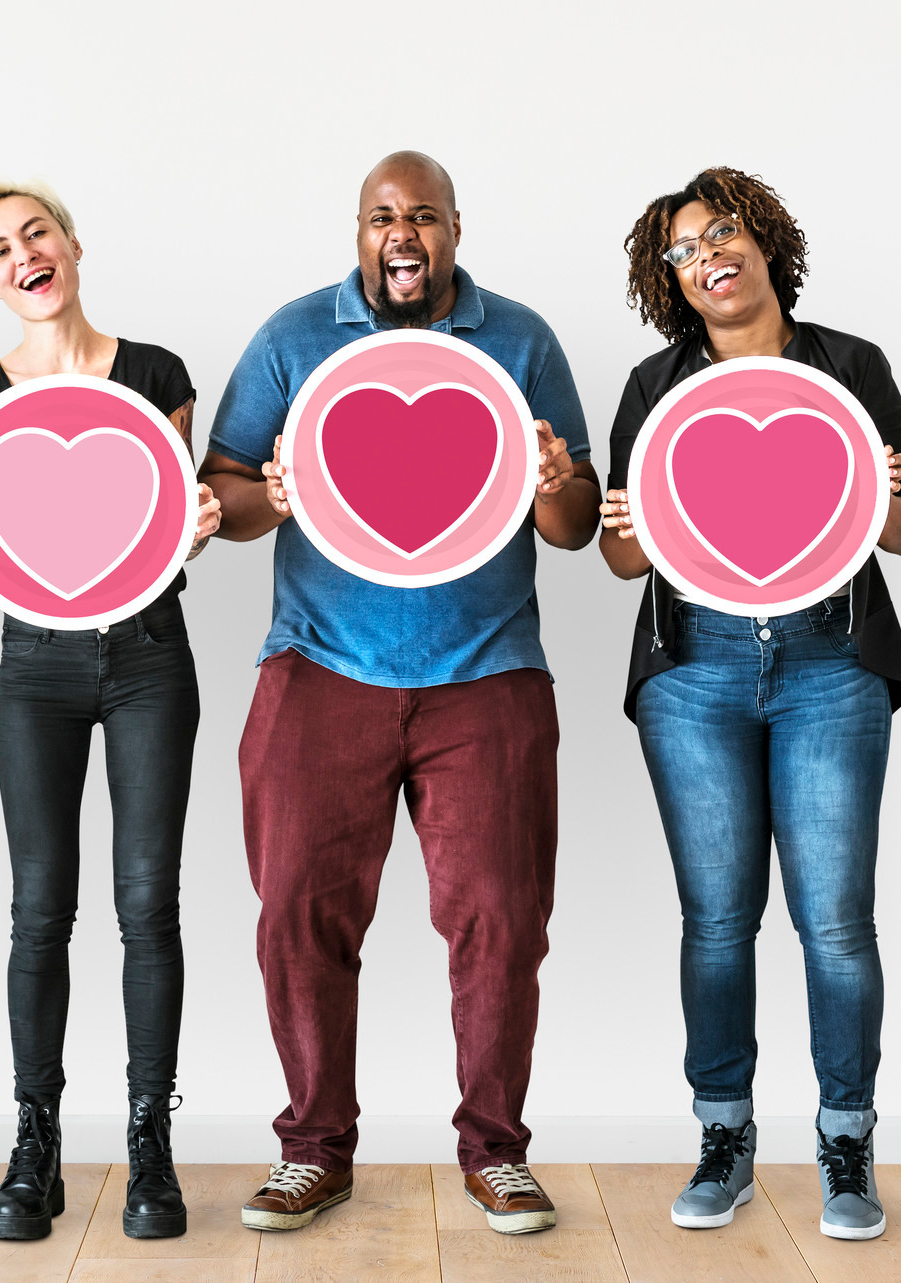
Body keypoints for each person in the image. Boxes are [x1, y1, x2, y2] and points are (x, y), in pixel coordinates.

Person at [197, 151, 599, 1236]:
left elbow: (571, 526)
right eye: (383, 216)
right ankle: (312, 1149)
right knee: (296, 914)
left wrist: (559, 481)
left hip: (487, 671)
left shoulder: (519, 341)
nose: (402, 233)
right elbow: (220, 493)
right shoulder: (293, 337)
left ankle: (496, 1152)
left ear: (455, 229)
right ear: (359, 230)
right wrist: (265, 496)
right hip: (319, 665)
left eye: (422, 214)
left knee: (502, 919)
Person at [600, 168, 901, 1241]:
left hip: (829, 661)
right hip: (692, 667)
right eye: (683, 249)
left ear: (762, 239)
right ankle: (723, 1136)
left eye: (722, 231)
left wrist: (887, 496)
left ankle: (844, 1144)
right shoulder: (655, 386)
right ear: (672, 282)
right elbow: (619, 555)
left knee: (833, 920)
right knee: (716, 919)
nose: (708, 254)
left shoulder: (847, 367)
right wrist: (623, 524)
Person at [0, 179, 221, 1241]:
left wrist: (203, 522)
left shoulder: (155, 375)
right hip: (33, 669)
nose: (22, 253)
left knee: (148, 903)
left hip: (145, 658)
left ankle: (148, 1143)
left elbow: (169, 523)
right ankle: (33, 1144)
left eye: (34, 231)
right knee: (39, 906)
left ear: (71, 244)